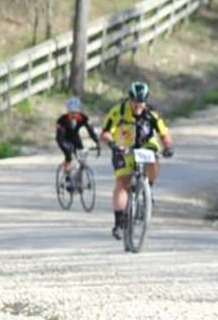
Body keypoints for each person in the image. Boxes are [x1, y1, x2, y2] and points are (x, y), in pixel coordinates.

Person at [100, 81, 175, 240]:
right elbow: (105, 133)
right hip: (123, 147)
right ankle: (119, 223)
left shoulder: (152, 114)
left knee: (154, 160)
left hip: (146, 145)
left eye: (141, 103)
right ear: (129, 99)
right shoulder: (118, 111)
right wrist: (112, 144)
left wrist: (168, 146)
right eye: (134, 102)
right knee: (122, 182)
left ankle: (148, 187)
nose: (137, 106)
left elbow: (164, 134)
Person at [55, 96, 100, 187]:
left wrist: (96, 142)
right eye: (71, 113)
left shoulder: (83, 118)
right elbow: (60, 136)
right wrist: (68, 148)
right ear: (68, 112)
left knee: (82, 156)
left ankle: (78, 178)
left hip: (75, 137)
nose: (74, 115)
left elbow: (90, 131)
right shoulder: (62, 120)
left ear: (79, 112)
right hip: (63, 138)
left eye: (76, 113)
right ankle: (67, 177)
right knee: (69, 155)